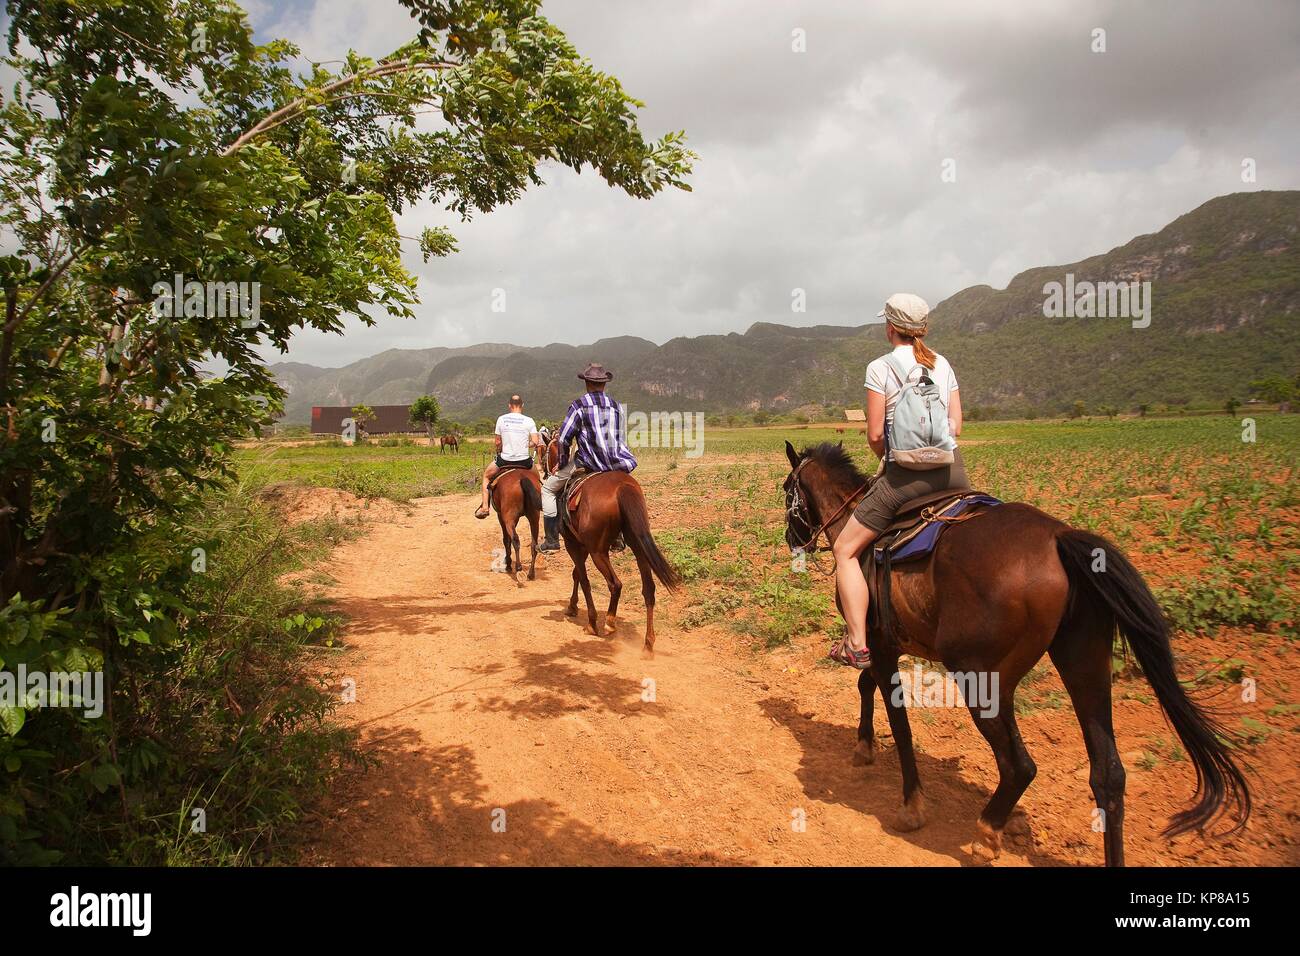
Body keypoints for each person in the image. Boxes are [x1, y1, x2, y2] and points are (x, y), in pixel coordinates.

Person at [828, 293, 965, 669]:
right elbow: (956, 425)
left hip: (906, 477)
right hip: (953, 472)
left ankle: (857, 643)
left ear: (890, 328)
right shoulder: (944, 364)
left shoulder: (880, 368)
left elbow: (875, 435)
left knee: (844, 550)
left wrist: (889, 465)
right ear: (921, 328)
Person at [539, 363, 636, 551]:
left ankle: (551, 541)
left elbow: (564, 439)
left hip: (590, 462)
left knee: (548, 490)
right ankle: (618, 536)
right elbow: (619, 436)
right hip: (617, 463)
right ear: (604, 384)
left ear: (587, 383)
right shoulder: (616, 406)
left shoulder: (579, 405)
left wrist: (562, 462)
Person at [474, 394, 540, 519]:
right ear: (522, 405)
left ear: (509, 405)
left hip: (505, 460)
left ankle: (485, 507)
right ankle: (542, 503)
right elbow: (535, 442)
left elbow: (498, 442)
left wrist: (501, 448)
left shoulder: (501, 419)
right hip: (525, 461)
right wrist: (525, 444)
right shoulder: (529, 420)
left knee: (486, 476)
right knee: (538, 480)